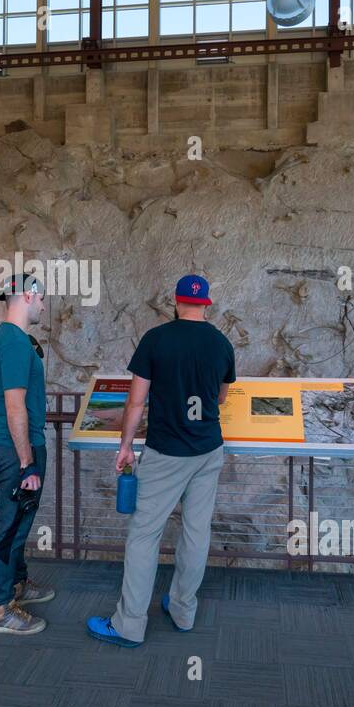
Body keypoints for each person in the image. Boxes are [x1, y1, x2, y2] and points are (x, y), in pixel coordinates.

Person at [87, 274, 236, 647]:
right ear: (207, 304)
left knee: (144, 535)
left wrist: (125, 446)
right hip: (208, 450)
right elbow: (219, 399)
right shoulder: (221, 343)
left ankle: (130, 625)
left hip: (166, 452)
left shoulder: (156, 339)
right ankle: (184, 610)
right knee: (196, 532)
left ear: (175, 300)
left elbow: (135, 402)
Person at [0, 273, 55, 635]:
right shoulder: (13, 342)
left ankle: (17, 586)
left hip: (13, 450)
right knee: (9, 529)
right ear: (29, 295)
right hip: (16, 454)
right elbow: (15, 407)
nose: (43, 306)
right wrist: (27, 462)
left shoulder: (11, 339)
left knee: (19, 522)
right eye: (42, 299)